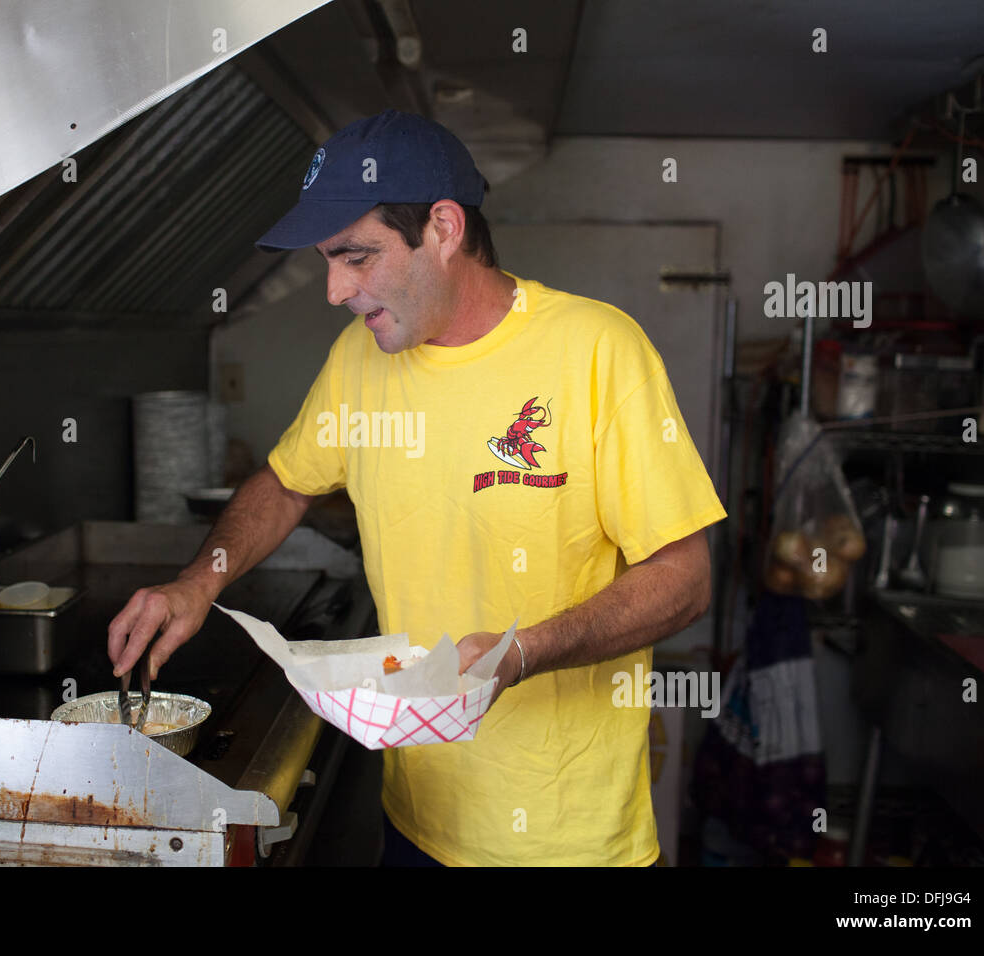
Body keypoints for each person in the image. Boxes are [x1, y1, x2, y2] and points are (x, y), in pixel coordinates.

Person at [108, 109, 726, 866]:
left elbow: (685, 577)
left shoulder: (599, 352)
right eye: (328, 261)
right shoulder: (359, 359)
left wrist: (524, 652)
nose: (334, 290)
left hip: (565, 842)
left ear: (443, 228)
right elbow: (286, 483)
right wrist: (197, 584)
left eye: (356, 257)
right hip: (414, 820)